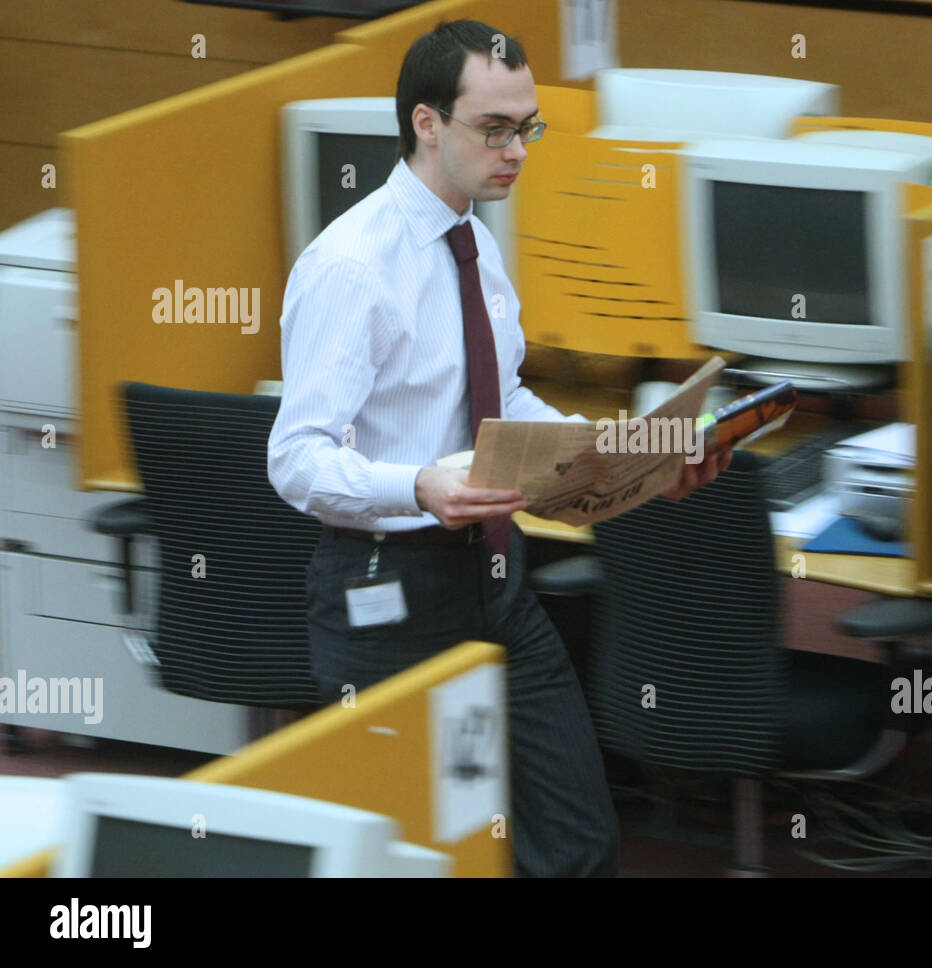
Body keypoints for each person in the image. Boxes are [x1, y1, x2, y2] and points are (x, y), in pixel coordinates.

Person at [267, 19, 729, 876]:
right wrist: (418, 487)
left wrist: (625, 460)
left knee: (577, 845)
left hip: (493, 579)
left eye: (528, 128)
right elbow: (295, 459)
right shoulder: (352, 268)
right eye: (495, 129)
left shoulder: (474, 241)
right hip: (388, 597)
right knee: (424, 857)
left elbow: (502, 394)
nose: (516, 151)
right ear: (426, 123)